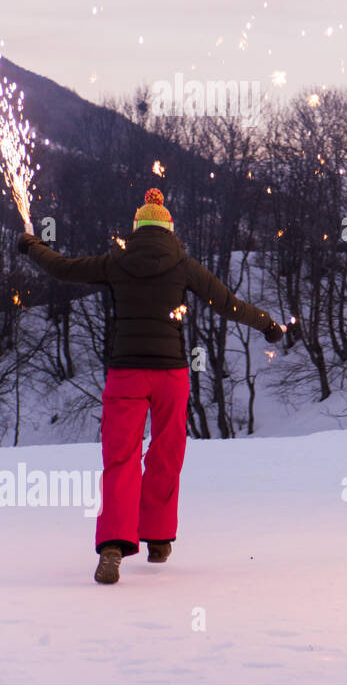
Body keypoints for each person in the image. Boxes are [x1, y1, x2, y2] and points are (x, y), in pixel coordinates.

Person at [15, 188, 285, 584]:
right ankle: (158, 538)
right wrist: (267, 324)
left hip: (126, 373)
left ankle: (112, 546)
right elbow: (227, 303)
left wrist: (31, 245)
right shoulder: (184, 265)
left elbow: (63, 268)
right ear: (170, 230)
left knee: (120, 458)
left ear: (136, 228)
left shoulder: (114, 262)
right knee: (166, 452)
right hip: (171, 375)